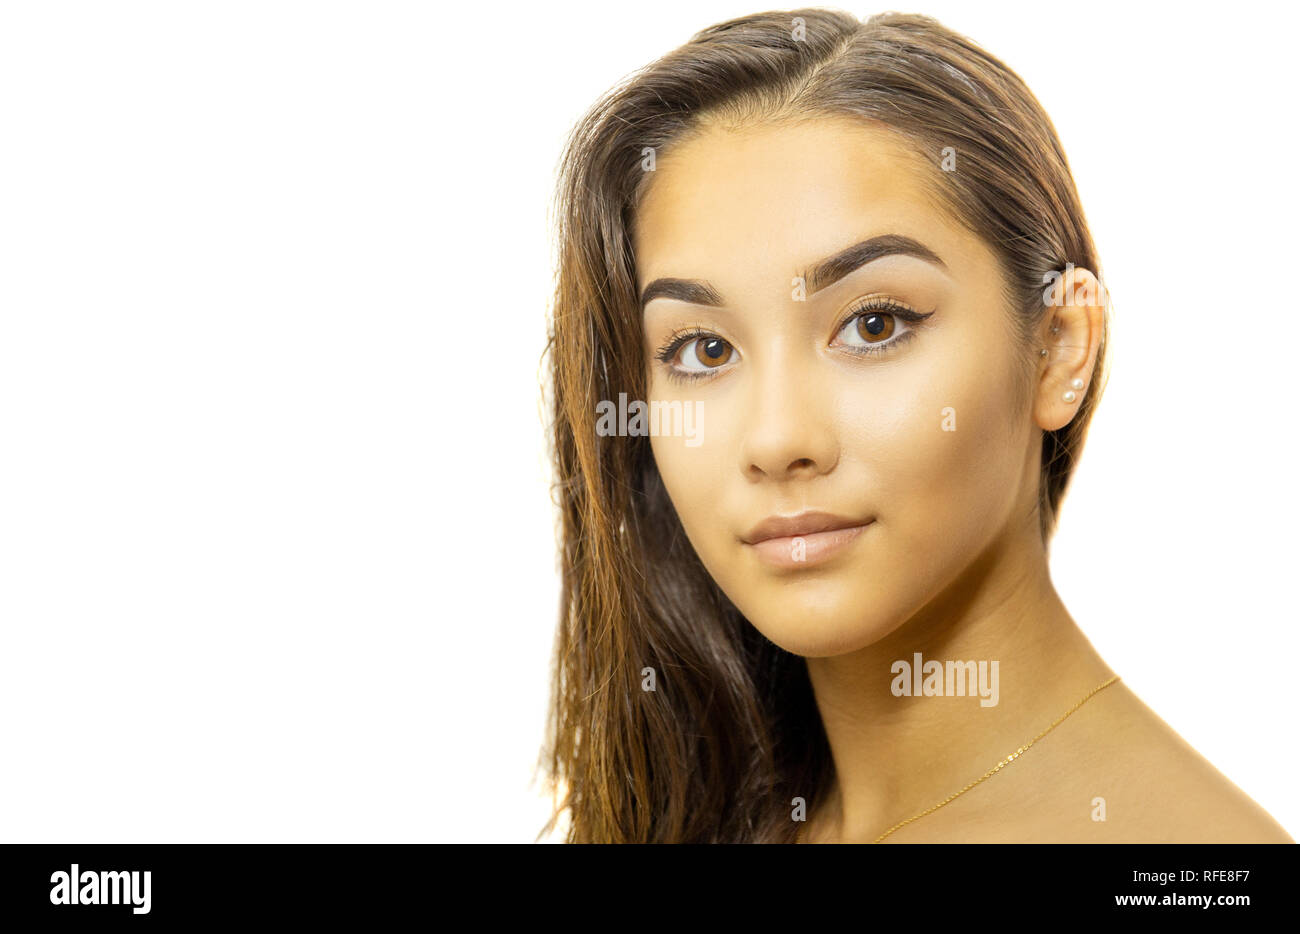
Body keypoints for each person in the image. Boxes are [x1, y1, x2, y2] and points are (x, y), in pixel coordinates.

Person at [539, 8, 1293, 843]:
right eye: (704, 349)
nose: (776, 439)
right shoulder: (707, 807)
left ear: (1057, 349)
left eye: (874, 325)